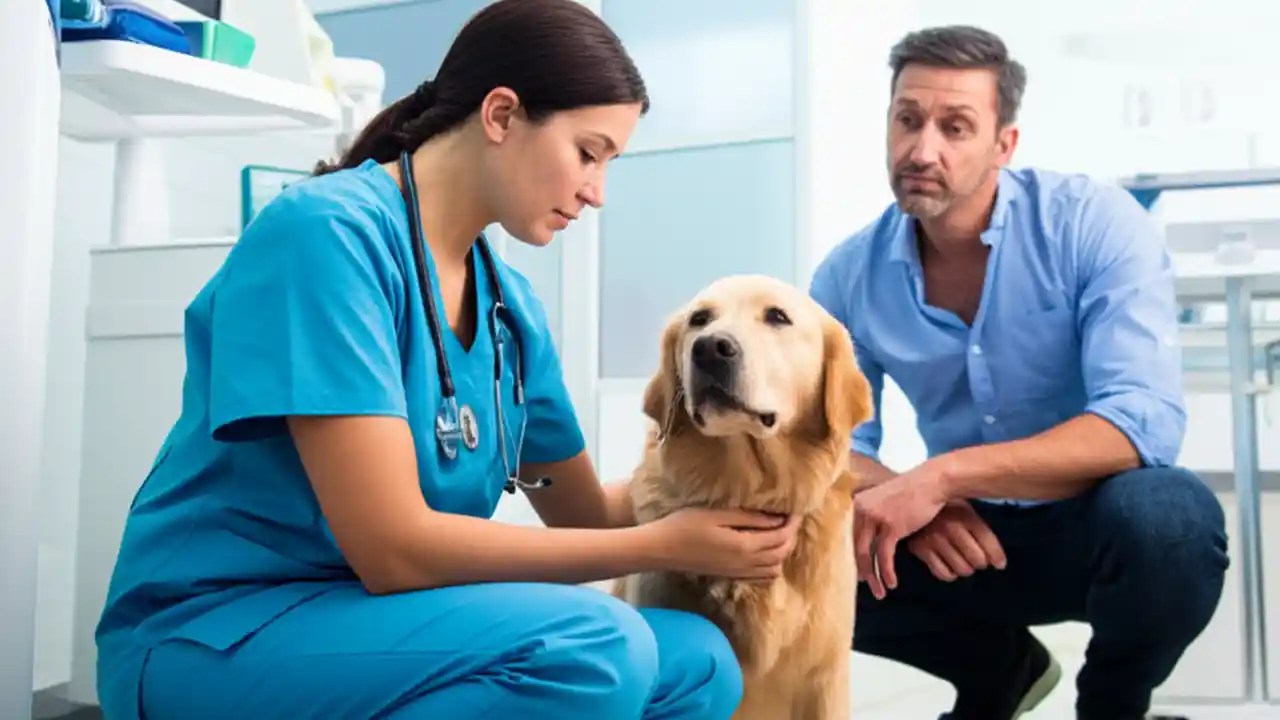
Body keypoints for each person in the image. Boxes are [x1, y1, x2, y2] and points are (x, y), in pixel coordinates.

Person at [93, 2, 804, 718]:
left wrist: (749, 486)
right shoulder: (325, 237)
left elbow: (586, 514)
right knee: (595, 644)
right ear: (501, 115)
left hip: (374, 626)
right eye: (589, 153)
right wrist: (658, 545)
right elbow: (394, 549)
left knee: (696, 659)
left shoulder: (508, 309)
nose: (597, 191)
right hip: (219, 632)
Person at [809, 24, 1230, 720]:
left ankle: (1112, 707)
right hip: (963, 540)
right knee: (801, 535)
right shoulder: (849, 274)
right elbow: (821, 443)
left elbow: (1140, 424)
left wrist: (943, 476)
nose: (922, 149)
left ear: (1004, 144)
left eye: (955, 127)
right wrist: (911, 500)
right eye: (907, 120)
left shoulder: (1094, 224)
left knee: (1171, 520)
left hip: (1093, 529)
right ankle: (996, 674)